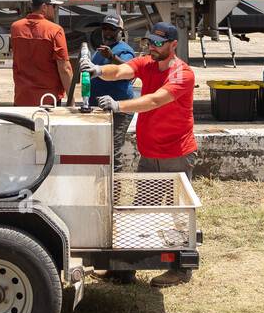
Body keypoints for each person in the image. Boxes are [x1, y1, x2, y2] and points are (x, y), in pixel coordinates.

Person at [81, 21, 197, 288]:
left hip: (176, 155)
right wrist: (99, 70)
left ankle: (181, 269)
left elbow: (155, 100)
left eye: (158, 43)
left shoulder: (183, 74)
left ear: (173, 45)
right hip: (150, 153)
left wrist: (119, 105)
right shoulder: (147, 63)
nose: (152, 48)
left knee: (178, 213)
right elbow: (122, 70)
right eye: (150, 42)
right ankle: (125, 269)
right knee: (143, 213)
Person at [89, 13, 137, 169]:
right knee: (100, 149)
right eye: (105, 29)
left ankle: (115, 191)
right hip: (100, 107)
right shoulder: (100, 50)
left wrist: (112, 57)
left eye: (112, 29)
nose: (108, 32)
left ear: (120, 32)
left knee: (112, 150)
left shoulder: (124, 50)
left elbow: (129, 70)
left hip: (119, 109)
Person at [10, 0, 72, 107]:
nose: (55, 9)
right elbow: (65, 69)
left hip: (22, 98)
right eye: (53, 6)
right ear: (44, 7)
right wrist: (71, 100)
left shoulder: (15, 28)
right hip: (48, 99)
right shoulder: (55, 30)